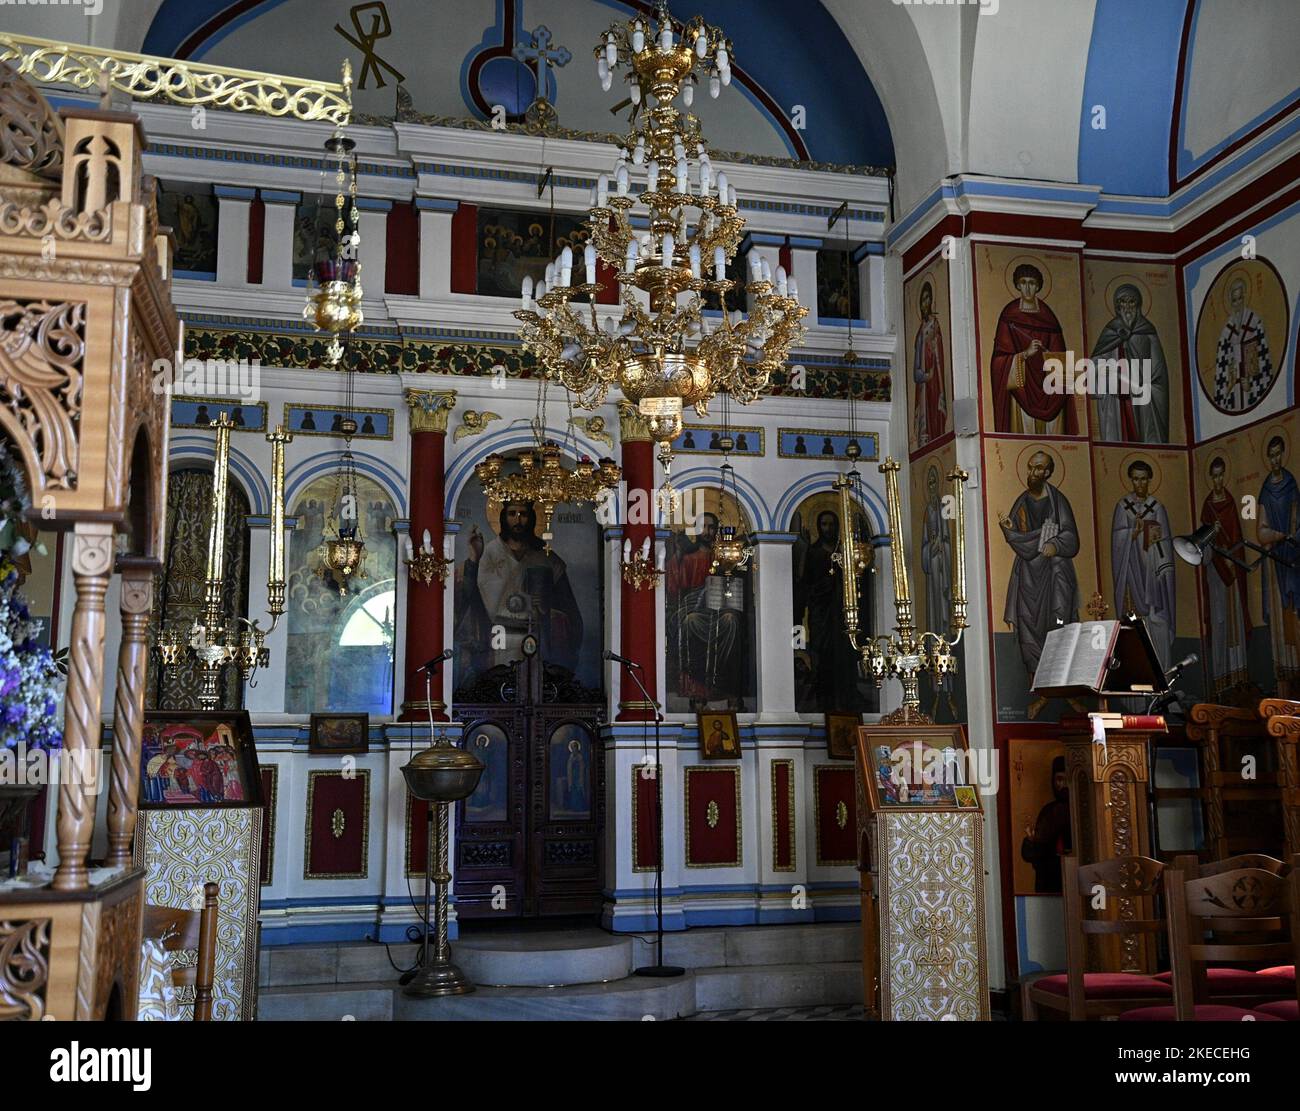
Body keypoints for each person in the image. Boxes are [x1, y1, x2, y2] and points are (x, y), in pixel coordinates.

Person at [456, 500, 584, 678]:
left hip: (537, 642)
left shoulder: (547, 557)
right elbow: (468, 600)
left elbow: (569, 611)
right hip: (496, 646)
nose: (518, 519)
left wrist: (547, 606)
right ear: (502, 517)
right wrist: (473, 559)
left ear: (531, 518)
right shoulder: (487, 553)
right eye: (512, 513)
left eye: (523, 514)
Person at [1000, 450, 1080, 719]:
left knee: (1058, 628)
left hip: (1055, 575)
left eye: (1038, 469)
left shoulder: (1059, 501)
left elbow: (1072, 538)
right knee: (1029, 635)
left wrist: (1054, 544)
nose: (1032, 473)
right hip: (1028, 577)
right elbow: (1018, 538)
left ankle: (1061, 691)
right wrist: (1011, 530)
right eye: (1030, 468)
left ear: (1047, 472)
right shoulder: (1022, 502)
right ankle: (1040, 692)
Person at [666, 512, 747, 709]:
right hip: (695, 608)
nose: (707, 532)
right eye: (703, 527)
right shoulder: (688, 558)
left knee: (731, 621)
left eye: (712, 527)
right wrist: (677, 555)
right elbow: (674, 587)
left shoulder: (725, 556)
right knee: (689, 621)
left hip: (720, 608)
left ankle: (727, 687)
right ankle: (697, 689)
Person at [793, 509, 871, 712]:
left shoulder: (846, 551)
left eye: (831, 524)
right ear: (819, 527)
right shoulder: (813, 551)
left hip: (843, 611)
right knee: (823, 651)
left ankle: (847, 693)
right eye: (824, 524)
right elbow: (805, 583)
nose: (828, 528)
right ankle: (823, 696)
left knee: (845, 651)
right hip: (821, 612)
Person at [991, 263, 1074, 435]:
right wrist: (1023, 355)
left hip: (1048, 384)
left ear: (1038, 286)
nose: (1027, 288)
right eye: (1023, 282)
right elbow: (999, 360)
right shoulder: (1009, 314)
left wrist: (1049, 357)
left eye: (1032, 283)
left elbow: (1062, 360)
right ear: (1017, 285)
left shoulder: (1048, 316)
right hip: (1022, 387)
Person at [1111, 460, 1176, 667]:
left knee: (1158, 623)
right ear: (1131, 480)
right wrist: (1133, 532)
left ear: (1149, 480)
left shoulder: (1156, 508)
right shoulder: (1123, 507)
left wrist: (1156, 558)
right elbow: (1116, 544)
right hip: (1131, 577)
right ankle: (1138, 694)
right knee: (1135, 626)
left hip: (1153, 578)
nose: (1140, 484)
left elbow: (1162, 544)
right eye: (1136, 479)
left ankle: (1162, 680)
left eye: (1144, 479)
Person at [1199, 457, 1251, 696]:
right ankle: (1221, 681)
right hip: (1215, 571)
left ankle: (1239, 675)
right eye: (1215, 475)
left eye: (1221, 475)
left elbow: (1238, 539)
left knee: (1235, 618)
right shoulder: (1207, 507)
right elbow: (1201, 545)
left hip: (1232, 568)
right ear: (1210, 477)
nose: (1218, 480)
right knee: (1220, 620)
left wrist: (1233, 559)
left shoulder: (1230, 502)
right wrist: (1212, 533)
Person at [1093, 283, 1169, 443]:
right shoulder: (1111, 331)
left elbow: (1158, 369)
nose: (1127, 307)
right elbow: (1096, 361)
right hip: (1117, 398)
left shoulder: (1147, 331)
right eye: (1122, 302)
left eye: (1131, 302)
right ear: (1117, 306)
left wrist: (1139, 380)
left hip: (1142, 396)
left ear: (1138, 305)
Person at [1258, 437, 1300, 692]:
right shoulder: (1265, 489)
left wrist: (1291, 536)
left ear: (1283, 454)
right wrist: (1279, 535)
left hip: (1294, 559)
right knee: (1280, 618)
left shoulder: (1291, 484)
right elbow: (1260, 531)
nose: (1275, 460)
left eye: (1278, 454)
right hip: (1276, 558)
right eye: (1271, 455)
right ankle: (1285, 678)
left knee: (1294, 612)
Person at [921, 465, 957, 718]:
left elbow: (949, 542)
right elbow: (924, 547)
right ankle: (936, 691)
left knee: (946, 628)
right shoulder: (928, 511)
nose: (933, 487)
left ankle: (950, 692)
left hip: (944, 577)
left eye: (936, 482)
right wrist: (930, 549)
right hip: (933, 578)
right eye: (930, 483)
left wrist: (941, 546)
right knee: (934, 629)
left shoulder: (945, 507)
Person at [1214, 277, 1274, 412]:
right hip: (1234, 395)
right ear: (1230, 302)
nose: (1237, 304)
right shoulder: (1226, 332)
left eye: (1240, 298)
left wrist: (1252, 384)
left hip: (1253, 393)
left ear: (1244, 297)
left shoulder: (1255, 323)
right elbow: (1221, 373)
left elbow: (1264, 364)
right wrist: (1228, 386)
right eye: (1234, 301)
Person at [1021, 756, 1071, 893]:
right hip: (1049, 881)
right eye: (1059, 779)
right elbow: (1033, 853)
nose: (1063, 785)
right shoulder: (1049, 811)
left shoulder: (1082, 807)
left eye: (1067, 780)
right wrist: (1030, 841)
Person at [912, 280, 947, 447]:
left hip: (934, 382)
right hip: (924, 384)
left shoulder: (934, 324)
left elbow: (938, 349)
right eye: (922, 300)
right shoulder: (920, 331)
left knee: (934, 415)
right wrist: (923, 375)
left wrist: (934, 347)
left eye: (927, 299)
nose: (925, 303)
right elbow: (916, 365)